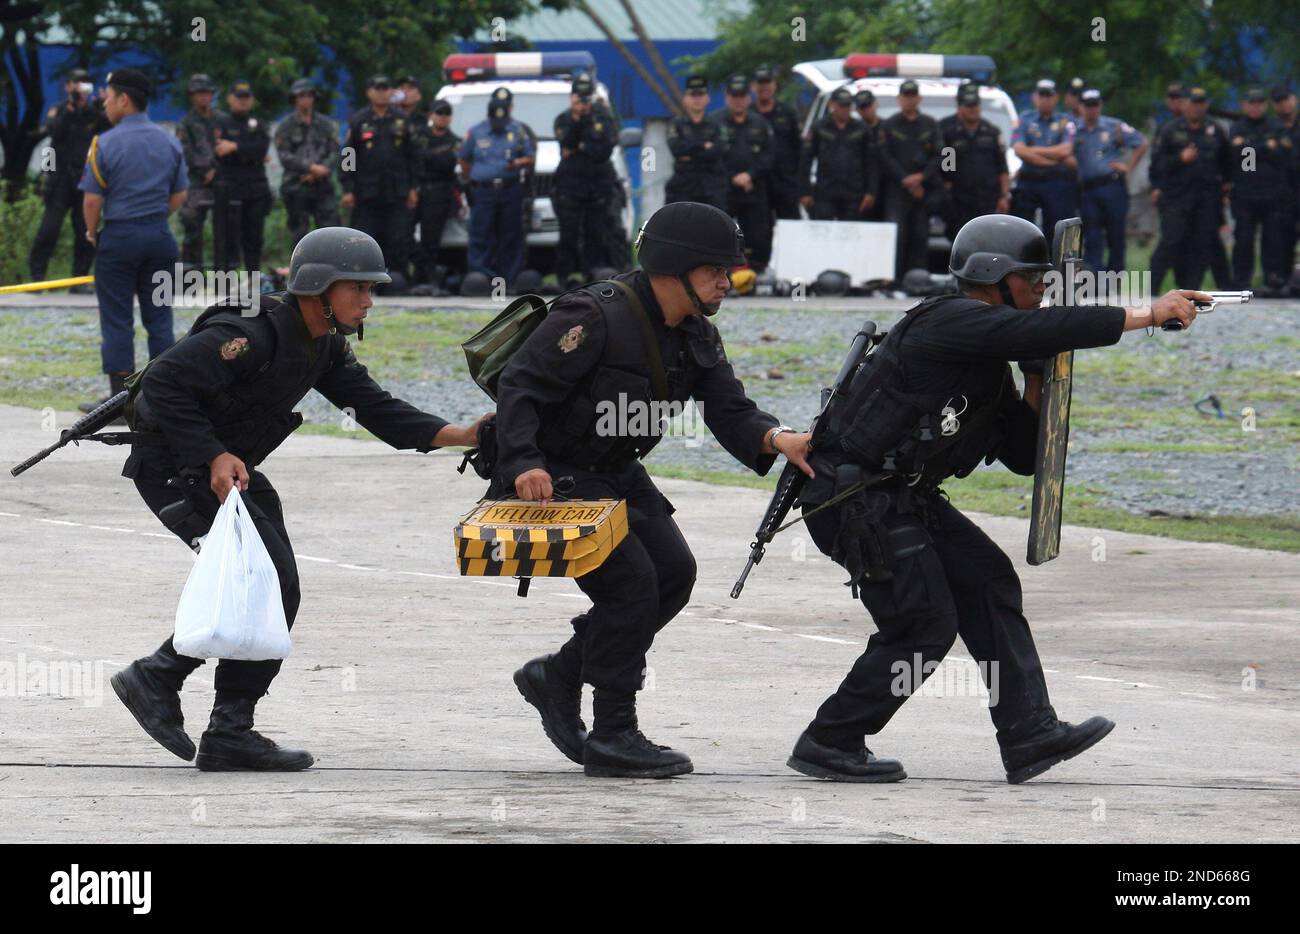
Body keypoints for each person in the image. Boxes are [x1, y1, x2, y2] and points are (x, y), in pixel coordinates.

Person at [788, 213, 1210, 783]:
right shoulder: (947, 320)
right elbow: (1032, 332)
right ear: (994, 277)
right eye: (1031, 281)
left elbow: (1021, 456)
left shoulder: (986, 361)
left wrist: (1036, 382)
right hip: (853, 499)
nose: (1039, 293)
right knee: (923, 627)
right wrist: (1149, 314)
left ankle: (1029, 733)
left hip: (899, 496)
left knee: (987, 578)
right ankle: (830, 739)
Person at [110, 227, 488, 772]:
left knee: (266, 584)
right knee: (268, 583)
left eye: (371, 289)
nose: (368, 301)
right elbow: (165, 380)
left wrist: (460, 433)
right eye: (356, 288)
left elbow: (376, 408)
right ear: (319, 288)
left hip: (228, 474)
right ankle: (184, 696)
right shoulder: (253, 334)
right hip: (176, 472)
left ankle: (201, 710)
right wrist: (213, 453)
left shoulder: (323, 344)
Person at [493, 202, 811, 778]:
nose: (728, 281)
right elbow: (520, 386)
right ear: (674, 267)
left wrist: (778, 437)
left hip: (616, 471)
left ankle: (558, 675)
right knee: (633, 586)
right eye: (717, 270)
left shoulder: (695, 334)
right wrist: (521, 461)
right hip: (552, 475)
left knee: (673, 575)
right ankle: (614, 733)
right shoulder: (590, 316)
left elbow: (730, 409)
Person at [77, 68, 186, 413]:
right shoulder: (170, 140)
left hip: (119, 238)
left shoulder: (104, 143)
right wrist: (154, 219)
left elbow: (92, 200)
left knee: (117, 318)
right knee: (159, 317)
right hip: (159, 237)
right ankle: (161, 398)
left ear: (124, 99)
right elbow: (180, 193)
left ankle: (119, 403)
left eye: (108, 97)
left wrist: (93, 232)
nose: (105, 104)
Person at [1149, 86, 1230, 290]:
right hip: (1177, 198)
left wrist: (1228, 188)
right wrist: (1180, 159)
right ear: (1186, 105)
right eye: (1193, 103)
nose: (1197, 108)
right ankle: (1151, 289)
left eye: (1201, 103)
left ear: (1207, 105)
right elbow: (1158, 164)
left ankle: (1190, 290)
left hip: (1207, 199)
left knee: (1201, 245)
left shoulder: (1216, 130)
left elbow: (1228, 163)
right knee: (1171, 241)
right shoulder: (1170, 130)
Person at [341, 75, 419, 288]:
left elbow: (413, 156)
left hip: (397, 190)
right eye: (378, 88)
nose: (382, 92)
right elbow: (348, 155)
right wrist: (348, 188)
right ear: (370, 92)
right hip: (367, 191)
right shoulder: (359, 120)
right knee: (366, 236)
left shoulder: (401, 119)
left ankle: (399, 282)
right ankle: (364, 283)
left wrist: (413, 187)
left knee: (399, 236)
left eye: (385, 89)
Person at [457, 88, 535, 288]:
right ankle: (480, 280)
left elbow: (530, 157)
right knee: (481, 234)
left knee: (510, 235)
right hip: (483, 191)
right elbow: (464, 159)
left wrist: (517, 163)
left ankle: (508, 280)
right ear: (489, 116)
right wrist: (471, 179)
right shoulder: (476, 131)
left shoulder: (518, 130)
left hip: (510, 189)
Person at [29, 67, 99, 283]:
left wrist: (96, 106)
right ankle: (37, 277)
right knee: (49, 229)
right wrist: (70, 110)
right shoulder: (58, 111)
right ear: (68, 86)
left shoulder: (94, 113)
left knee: (85, 231)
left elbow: (106, 130)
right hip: (60, 180)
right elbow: (53, 136)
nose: (81, 87)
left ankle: (79, 278)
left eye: (85, 83)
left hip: (84, 180)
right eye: (77, 83)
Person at [1073, 88, 1147, 274]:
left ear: (1100, 106)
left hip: (1112, 185)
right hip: (1088, 189)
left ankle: (1115, 278)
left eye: (1095, 105)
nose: (1092, 110)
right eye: (1088, 106)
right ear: (1081, 107)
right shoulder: (1074, 129)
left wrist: (1128, 166)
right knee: (1092, 235)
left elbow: (1141, 142)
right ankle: (1094, 279)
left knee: (1116, 234)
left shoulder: (1113, 126)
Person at [1228, 88, 1294, 294]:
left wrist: (1250, 146)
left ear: (1265, 105)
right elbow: (1236, 153)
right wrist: (1266, 146)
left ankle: (1272, 280)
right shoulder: (1237, 127)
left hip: (1273, 195)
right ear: (1244, 105)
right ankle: (1241, 282)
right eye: (1251, 102)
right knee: (1244, 239)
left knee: (1273, 239)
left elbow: (1284, 153)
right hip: (1245, 194)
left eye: (1259, 102)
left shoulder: (1276, 126)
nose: (1255, 107)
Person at [553, 74, 617, 286]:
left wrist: (581, 147)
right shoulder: (564, 119)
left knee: (595, 231)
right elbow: (566, 144)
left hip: (598, 185)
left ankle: (593, 275)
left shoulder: (603, 117)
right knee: (568, 232)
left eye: (585, 97)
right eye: (578, 98)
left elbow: (604, 150)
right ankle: (567, 276)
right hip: (570, 186)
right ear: (571, 97)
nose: (582, 102)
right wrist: (577, 121)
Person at [879, 79, 943, 280]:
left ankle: (918, 281)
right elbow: (884, 157)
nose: (910, 100)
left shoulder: (930, 124)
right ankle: (894, 281)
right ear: (899, 99)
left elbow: (942, 154)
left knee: (920, 236)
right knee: (898, 236)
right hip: (897, 190)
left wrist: (921, 178)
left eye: (913, 96)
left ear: (919, 98)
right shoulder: (889, 125)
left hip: (923, 189)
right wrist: (905, 179)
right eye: (906, 96)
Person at [715, 73, 775, 271]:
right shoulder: (715, 122)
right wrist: (733, 177)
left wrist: (749, 175)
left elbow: (769, 155)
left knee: (758, 234)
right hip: (724, 188)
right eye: (734, 96)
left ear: (748, 98)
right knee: (720, 232)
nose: (738, 101)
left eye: (742, 96)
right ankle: (722, 272)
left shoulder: (760, 123)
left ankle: (755, 274)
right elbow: (711, 156)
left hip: (753, 187)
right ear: (727, 97)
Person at [274, 78, 341, 250]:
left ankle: (332, 273)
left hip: (323, 185)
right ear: (294, 99)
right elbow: (284, 155)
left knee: (331, 233)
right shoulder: (285, 126)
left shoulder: (327, 125)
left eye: (309, 95)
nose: (305, 99)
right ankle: (302, 274)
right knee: (300, 236)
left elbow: (335, 151)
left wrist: (322, 169)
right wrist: (310, 168)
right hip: (297, 186)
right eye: (301, 96)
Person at [212, 80, 271, 273]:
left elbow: (261, 148)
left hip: (255, 189)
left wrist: (235, 147)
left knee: (254, 236)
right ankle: (226, 279)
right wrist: (249, 151)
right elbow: (219, 150)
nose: (243, 102)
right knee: (227, 236)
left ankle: (253, 277)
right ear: (230, 99)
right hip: (230, 188)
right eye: (239, 98)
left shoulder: (258, 124)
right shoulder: (221, 123)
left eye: (247, 98)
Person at [938, 83, 1010, 241]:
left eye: (975, 105)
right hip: (959, 200)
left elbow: (1002, 167)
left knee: (988, 241)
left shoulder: (991, 131)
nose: (972, 109)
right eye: (968, 105)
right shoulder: (947, 130)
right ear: (959, 105)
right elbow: (946, 167)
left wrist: (1004, 196)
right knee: (960, 242)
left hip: (987, 199)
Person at [1011, 79, 1078, 238]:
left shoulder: (1066, 121)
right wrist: (1052, 159)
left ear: (1056, 98)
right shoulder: (1024, 119)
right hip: (1029, 181)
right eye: (1042, 95)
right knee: (1022, 230)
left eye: (1049, 95)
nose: (1045, 99)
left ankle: (1053, 262)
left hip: (1055, 183)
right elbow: (1019, 150)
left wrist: (1033, 150)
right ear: (1034, 97)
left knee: (1055, 230)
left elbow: (1066, 149)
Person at [799, 86, 877, 221]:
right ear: (832, 105)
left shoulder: (861, 129)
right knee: (822, 232)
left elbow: (871, 163)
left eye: (847, 106)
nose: (845, 109)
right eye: (841, 106)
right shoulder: (819, 127)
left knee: (851, 234)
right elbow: (805, 161)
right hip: (825, 192)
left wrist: (870, 192)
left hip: (854, 193)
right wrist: (805, 191)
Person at [410, 99, 461, 293]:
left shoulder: (454, 141)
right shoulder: (418, 136)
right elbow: (411, 160)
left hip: (439, 193)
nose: (442, 117)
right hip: (417, 190)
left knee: (431, 239)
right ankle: (419, 269)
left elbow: (447, 164)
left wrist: (427, 158)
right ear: (431, 115)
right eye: (439, 113)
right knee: (403, 233)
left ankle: (428, 277)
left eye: (446, 114)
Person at [664, 75, 730, 211]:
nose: (697, 99)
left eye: (701, 94)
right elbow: (676, 149)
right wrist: (702, 145)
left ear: (708, 98)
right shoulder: (676, 124)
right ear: (685, 99)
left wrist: (690, 151)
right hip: (683, 187)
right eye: (693, 95)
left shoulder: (717, 124)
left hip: (712, 187)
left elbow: (719, 150)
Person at [176, 74, 219, 271]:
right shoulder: (186, 123)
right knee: (192, 230)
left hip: (222, 181)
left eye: (207, 93)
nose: (203, 97)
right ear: (192, 96)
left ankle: (224, 276)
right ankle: (191, 276)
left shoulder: (222, 120)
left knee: (225, 231)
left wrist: (216, 169)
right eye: (199, 93)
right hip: (195, 182)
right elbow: (185, 151)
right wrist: (205, 170)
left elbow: (230, 147)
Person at [750, 64, 803, 220]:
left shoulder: (788, 113)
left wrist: (799, 182)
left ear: (774, 85)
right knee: (759, 235)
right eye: (760, 83)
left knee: (791, 229)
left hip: (786, 182)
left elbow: (798, 148)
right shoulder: (748, 114)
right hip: (757, 184)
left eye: (768, 83)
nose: (764, 87)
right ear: (753, 86)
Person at [1272, 86, 1299, 291]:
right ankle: (1281, 282)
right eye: (1279, 101)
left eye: (1286, 99)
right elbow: (1248, 158)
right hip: (1280, 193)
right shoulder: (1269, 128)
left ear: (1294, 99)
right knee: (1283, 239)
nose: (1284, 104)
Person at [855, 89, 887, 221]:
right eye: (862, 107)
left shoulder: (888, 127)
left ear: (876, 105)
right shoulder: (853, 130)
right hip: (860, 188)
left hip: (887, 186)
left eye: (868, 106)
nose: (866, 110)